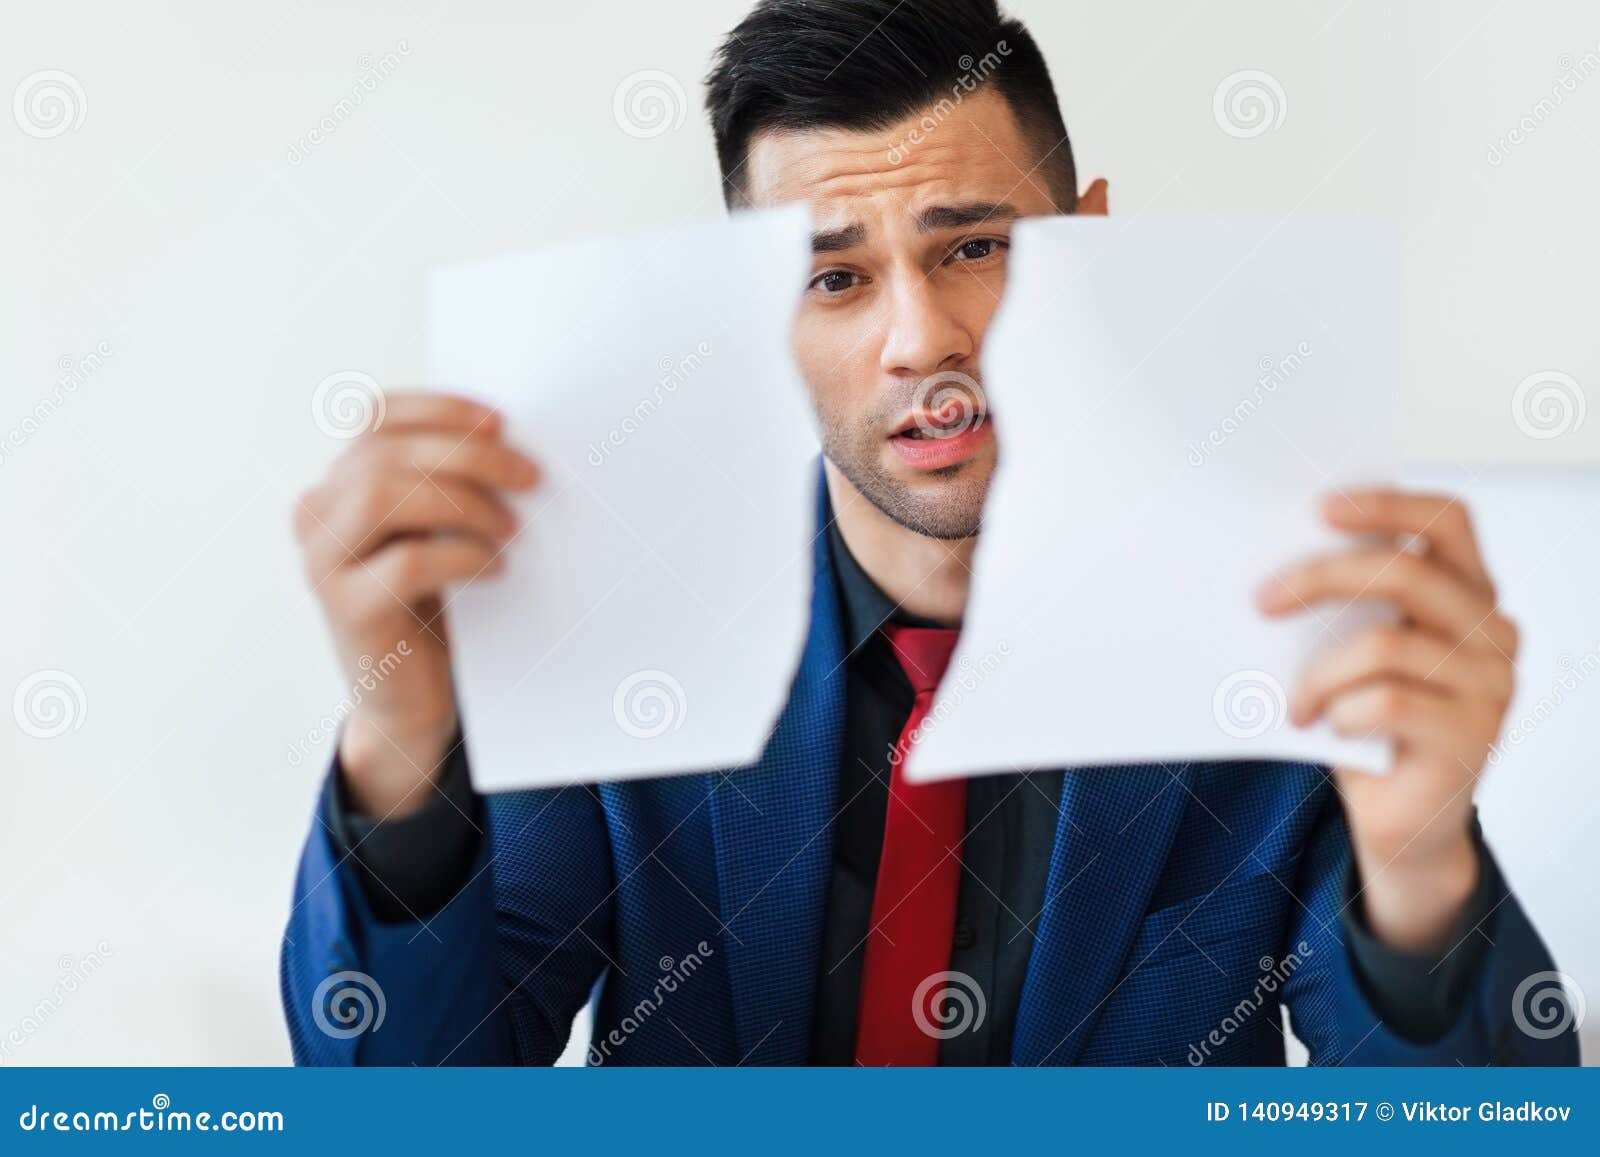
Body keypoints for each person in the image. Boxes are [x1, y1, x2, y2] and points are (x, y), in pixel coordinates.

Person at [281, 0, 1576, 1066]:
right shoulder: (625, 639)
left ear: (1092, 248)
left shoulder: (1272, 640)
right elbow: (401, 1101)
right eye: (835, 278)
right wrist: (401, 743)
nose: (920, 341)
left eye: (974, 249)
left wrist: (1416, 862)